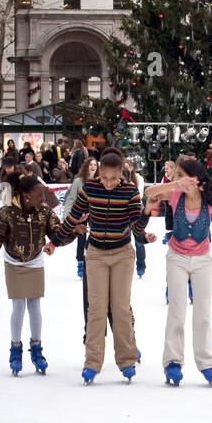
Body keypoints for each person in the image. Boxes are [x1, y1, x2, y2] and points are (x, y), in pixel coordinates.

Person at [53, 148, 153, 383]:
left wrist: (145, 228)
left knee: (120, 308)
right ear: (99, 173)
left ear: (121, 174)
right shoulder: (90, 188)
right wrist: (55, 241)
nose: (108, 183)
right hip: (96, 254)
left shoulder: (129, 191)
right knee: (96, 308)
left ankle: (127, 360)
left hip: (122, 254)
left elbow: (135, 225)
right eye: (104, 177)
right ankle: (92, 362)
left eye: (113, 178)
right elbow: (73, 217)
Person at [145, 156, 212, 387]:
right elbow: (150, 192)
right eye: (175, 175)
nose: (176, 179)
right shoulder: (175, 194)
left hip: (202, 260)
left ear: (195, 178)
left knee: (203, 313)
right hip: (177, 257)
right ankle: (173, 361)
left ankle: (206, 362)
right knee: (177, 309)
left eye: (181, 175)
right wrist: (174, 185)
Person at [0, 173, 59, 374]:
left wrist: (74, 231)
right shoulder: (7, 212)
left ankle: (37, 349)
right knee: (18, 306)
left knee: (35, 305)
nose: (43, 199)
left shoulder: (44, 212)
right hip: (14, 261)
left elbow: (57, 233)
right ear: (27, 197)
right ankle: (15, 349)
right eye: (40, 195)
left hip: (35, 261)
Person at [62, 155, 99, 278]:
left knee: (95, 235)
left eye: (95, 165)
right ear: (86, 167)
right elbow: (71, 198)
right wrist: (66, 215)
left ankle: (90, 258)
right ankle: (80, 263)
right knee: (81, 238)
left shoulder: (99, 181)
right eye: (91, 164)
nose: (93, 166)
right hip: (81, 213)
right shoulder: (78, 181)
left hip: (95, 213)